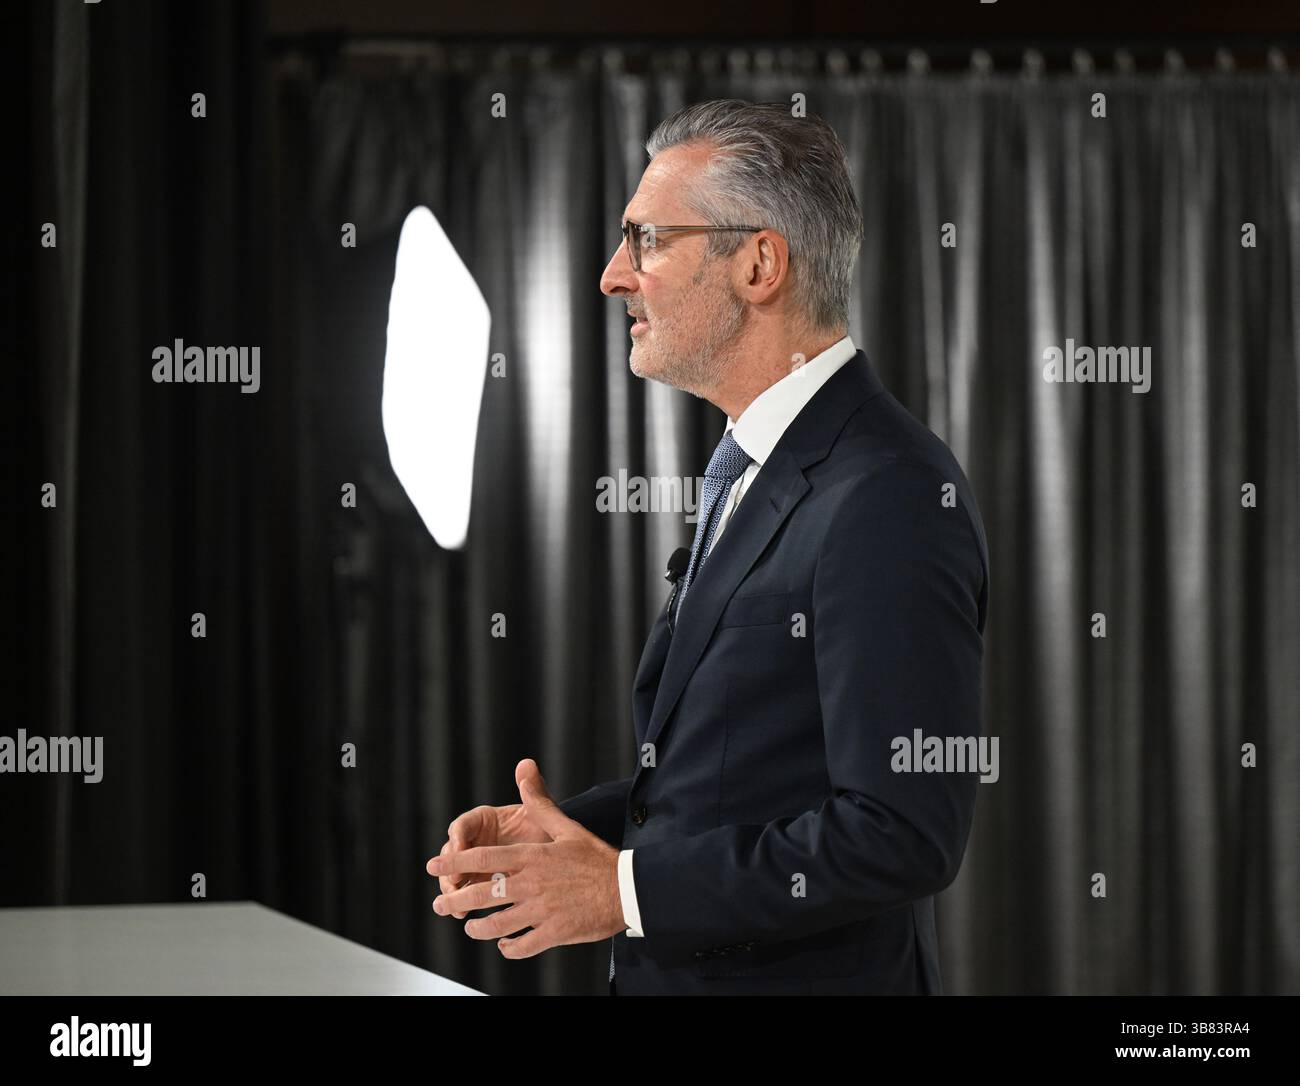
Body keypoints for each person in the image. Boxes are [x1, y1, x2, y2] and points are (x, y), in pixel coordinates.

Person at [427, 99, 989, 995]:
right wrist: (570, 843)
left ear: (759, 263)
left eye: (647, 239)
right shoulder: (757, 467)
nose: (614, 276)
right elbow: (740, 780)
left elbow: (900, 832)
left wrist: (620, 891)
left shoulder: (888, 493)